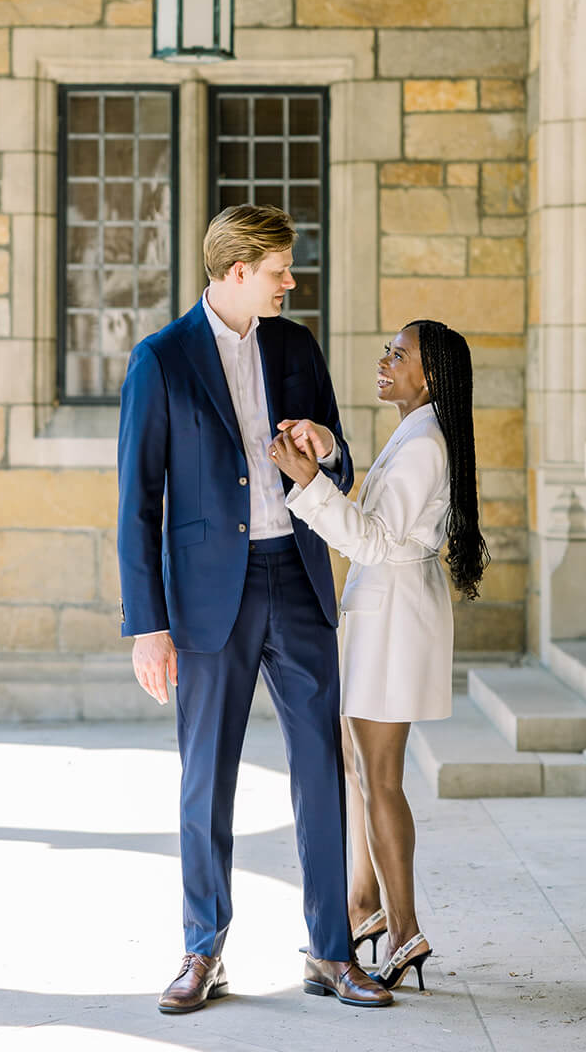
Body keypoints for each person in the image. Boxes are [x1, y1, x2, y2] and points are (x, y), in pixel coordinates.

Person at [117, 204, 393, 1013]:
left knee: (320, 771)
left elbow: (337, 449)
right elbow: (138, 501)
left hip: (298, 579)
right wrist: (148, 625)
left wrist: (325, 443)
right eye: (279, 270)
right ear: (237, 272)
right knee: (207, 777)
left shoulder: (295, 344)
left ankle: (331, 953)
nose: (290, 281)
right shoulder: (159, 359)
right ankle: (201, 950)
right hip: (207, 600)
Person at [270, 319, 489, 993]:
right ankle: (361, 909)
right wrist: (328, 456)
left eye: (400, 355)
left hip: (392, 618)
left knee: (381, 776)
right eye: (389, 350)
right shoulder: (414, 431)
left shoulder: (424, 444)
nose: (385, 360)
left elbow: (369, 540)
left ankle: (403, 930)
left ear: (428, 377)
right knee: (355, 763)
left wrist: (307, 484)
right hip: (386, 613)